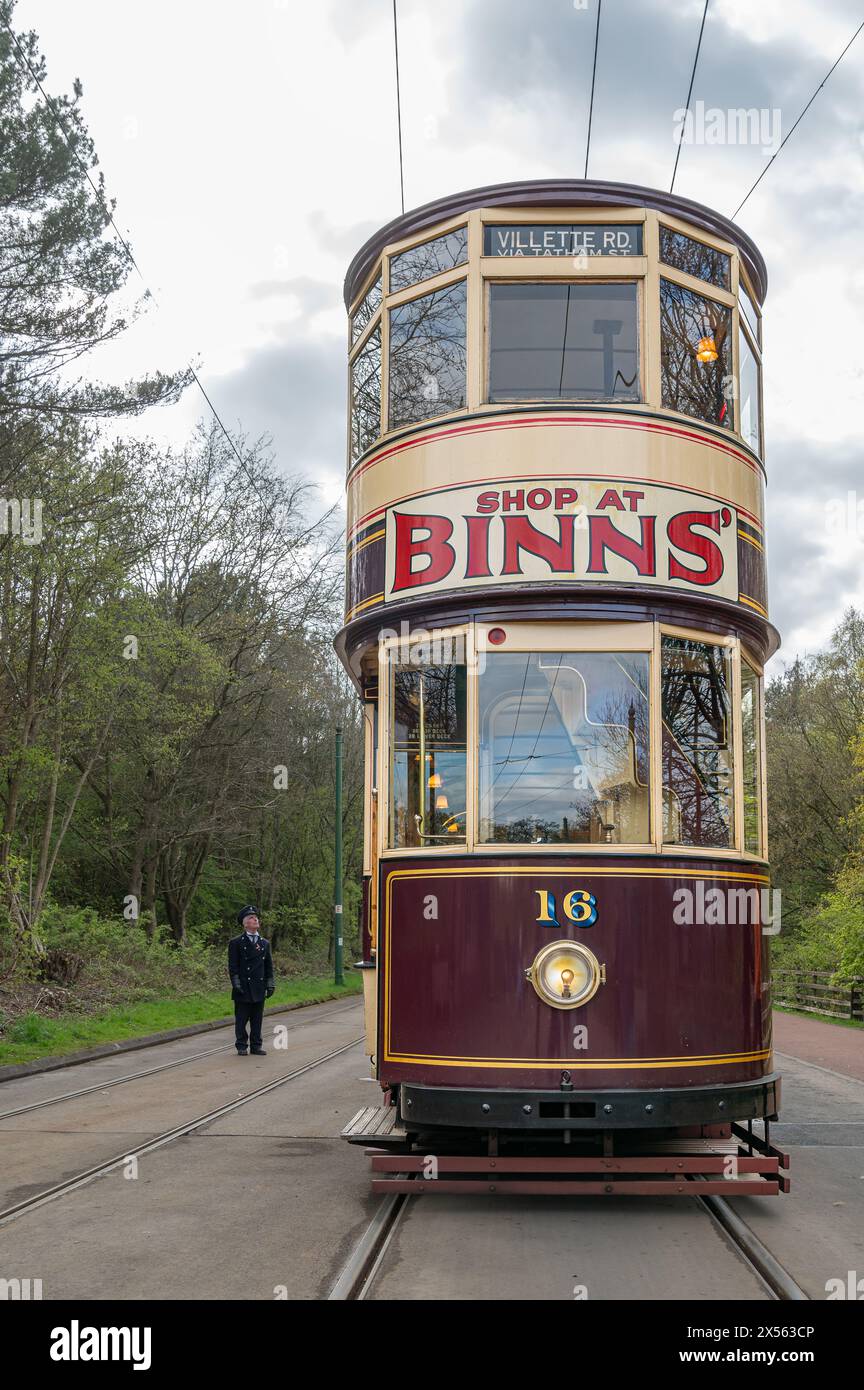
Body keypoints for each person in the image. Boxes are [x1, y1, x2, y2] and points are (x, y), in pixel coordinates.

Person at [228, 906, 275, 1056]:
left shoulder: (264, 943)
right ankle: (241, 1045)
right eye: (251, 918)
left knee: (257, 1019)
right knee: (241, 1019)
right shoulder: (236, 942)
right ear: (245, 923)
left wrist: (270, 983)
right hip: (243, 986)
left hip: (258, 985)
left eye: (256, 917)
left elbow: (268, 965)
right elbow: (233, 966)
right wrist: (236, 983)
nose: (255, 919)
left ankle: (256, 1045)